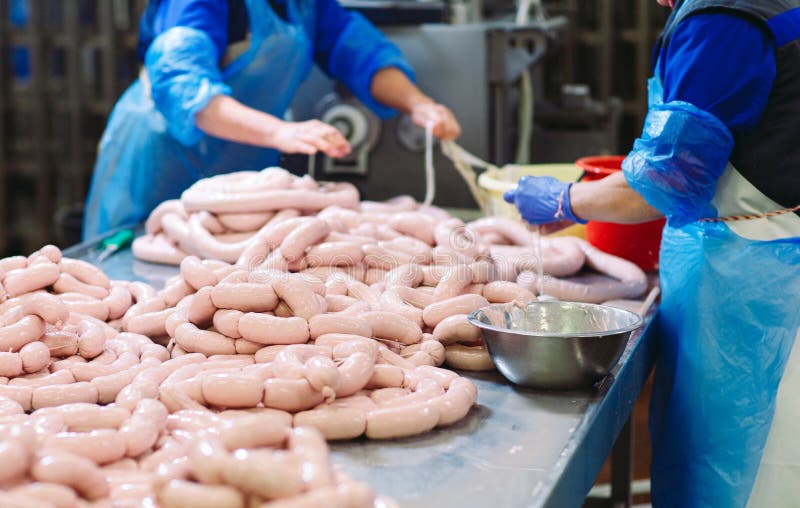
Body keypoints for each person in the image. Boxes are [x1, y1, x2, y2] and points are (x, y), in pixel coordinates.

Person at [503, 0, 800, 506]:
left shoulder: (721, 23)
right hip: (757, 264)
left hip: (752, 284)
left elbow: (664, 181)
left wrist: (567, 199)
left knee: (741, 470)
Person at [83, 0, 461, 239]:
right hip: (161, 160)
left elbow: (358, 50)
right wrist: (279, 131)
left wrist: (418, 104)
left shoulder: (305, 5)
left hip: (241, 163)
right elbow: (184, 85)